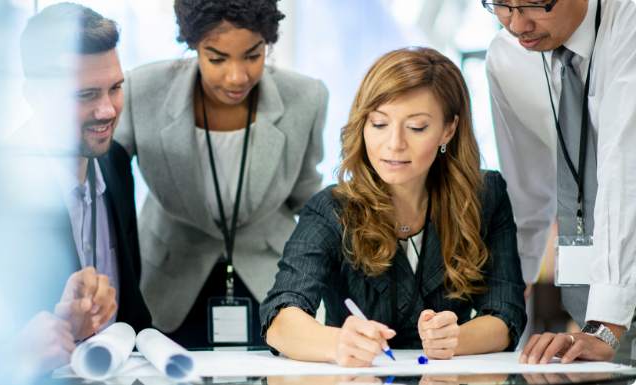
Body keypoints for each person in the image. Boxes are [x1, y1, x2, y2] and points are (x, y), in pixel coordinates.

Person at [260, 47, 527, 366]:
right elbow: (280, 318)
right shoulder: (332, 208)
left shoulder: (486, 196)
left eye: (416, 127)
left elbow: (506, 313)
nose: (394, 143)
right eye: (378, 124)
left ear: (448, 129)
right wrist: (337, 343)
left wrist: (456, 339)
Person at [113, 0, 328, 347]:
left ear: (267, 42)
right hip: (169, 279)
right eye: (217, 58)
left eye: (253, 56)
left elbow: (308, 198)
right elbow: (110, 187)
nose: (237, 76)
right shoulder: (141, 90)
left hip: (269, 277)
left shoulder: (307, 97)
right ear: (193, 43)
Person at [0, 3, 152, 375]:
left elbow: (132, 308)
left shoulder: (116, 161)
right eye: (85, 95)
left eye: (115, 88)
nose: (107, 110)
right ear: (35, 96)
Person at [484, 0, 636, 363]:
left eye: (535, 5)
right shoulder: (507, 58)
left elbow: (624, 170)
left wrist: (605, 327)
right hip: (596, 301)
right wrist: (505, 293)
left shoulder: (627, 20)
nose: (517, 24)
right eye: (501, 6)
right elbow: (525, 189)